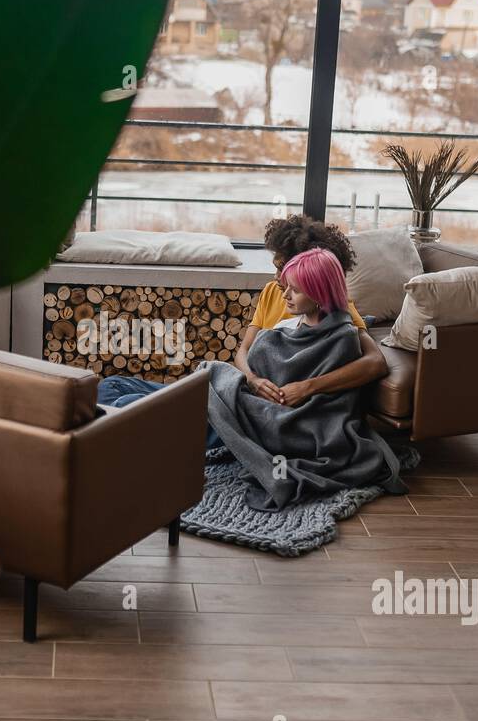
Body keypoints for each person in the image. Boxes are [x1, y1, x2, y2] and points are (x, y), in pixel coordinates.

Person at [96, 214, 388, 408]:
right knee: (111, 386)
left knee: (127, 406)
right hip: (240, 389)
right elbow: (242, 352)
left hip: (253, 409)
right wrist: (251, 378)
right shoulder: (273, 293)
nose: (277, 279)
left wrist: (307, 387)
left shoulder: (338, 313)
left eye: (283, 271)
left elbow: (374, 362)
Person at [203, 246, 407, 510]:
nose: (285, 295)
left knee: (187, 394)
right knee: (183, 390)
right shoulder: (294, 325)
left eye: (295, 290)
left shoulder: (343, 337)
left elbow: (328, 409)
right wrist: (254, 380)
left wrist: (297, 390)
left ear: (320, 295)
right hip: (257, 408)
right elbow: (256, 356)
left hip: (286, 427)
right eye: (287, 286)